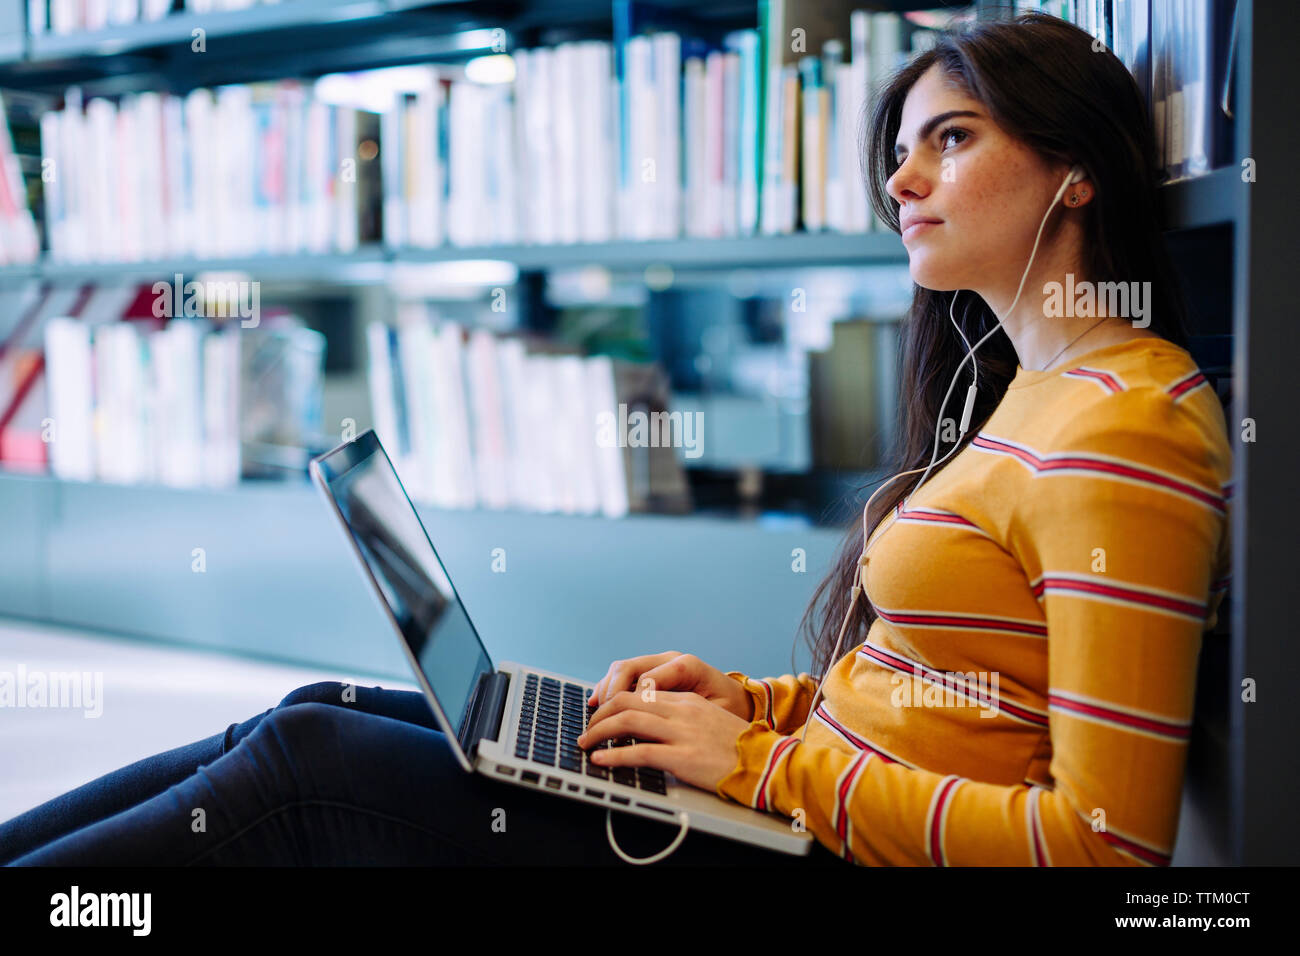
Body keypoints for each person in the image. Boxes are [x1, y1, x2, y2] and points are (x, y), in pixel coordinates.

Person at [0, 11, 1231, 866]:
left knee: (311, 762)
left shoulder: (1125, 428)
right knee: (312, 704)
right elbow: (933, 696)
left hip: (817, 847)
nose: (901, 182)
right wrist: (748, 702)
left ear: (1074, 172)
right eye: (899, 151)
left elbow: (1097, 844)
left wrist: (752, 764)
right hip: (797, 811)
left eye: (950, 140)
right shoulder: (1030, 385)